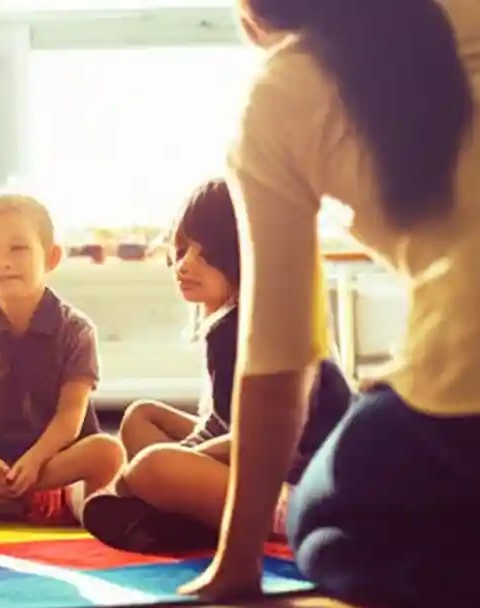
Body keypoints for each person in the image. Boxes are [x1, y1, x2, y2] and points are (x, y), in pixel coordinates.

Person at [184, 0, 480, 608]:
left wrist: (236, 563)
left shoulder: (280, 89)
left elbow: (279, 360)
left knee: (320, 525)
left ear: (256, 17)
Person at [84, 179, 352, 552]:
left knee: (152, 466)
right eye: (181, 251)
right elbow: (222, 424)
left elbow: (267, 440)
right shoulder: (228, 323)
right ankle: (178, 517)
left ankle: (178, 517)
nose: (184, 265)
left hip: (299, 486)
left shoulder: (250, 328)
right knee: (141, 417)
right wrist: (184, 459)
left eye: (205, 254)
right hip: (256, 459)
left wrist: (172, 464)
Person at [0, 190, 126, 525]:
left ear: (51, 257)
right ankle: (21, 502)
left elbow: (70, 417)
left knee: (108, 452)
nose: (2, 262)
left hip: (53, 461)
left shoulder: (76, 330)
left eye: (18, 249)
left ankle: (8, 502)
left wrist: (36, 462)